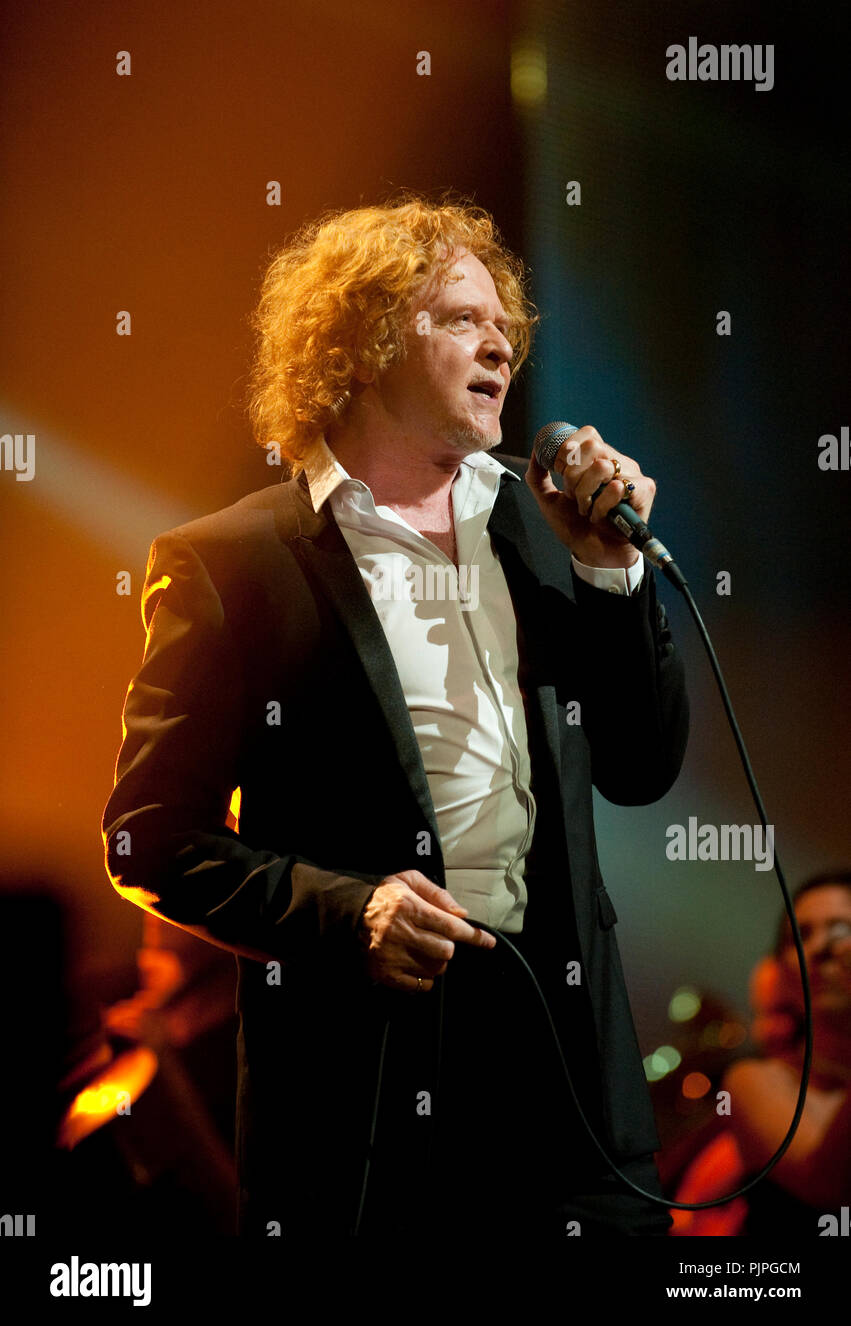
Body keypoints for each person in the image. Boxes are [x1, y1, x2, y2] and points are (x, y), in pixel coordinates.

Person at [102, 196, 689, 1237]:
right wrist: (347, 911)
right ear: (363, 341)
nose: (498, 338)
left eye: (501, 321)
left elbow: (640, 766)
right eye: (458, 317)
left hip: (573, 1092)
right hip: (363, 1099)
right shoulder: (233, 563)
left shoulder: (544, 522)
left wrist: (609, 578)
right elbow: (150, 839)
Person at [670, 871, 851, 1235]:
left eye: (840, 930)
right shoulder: (754, 1081)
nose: (818, 949)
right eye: (800, 937)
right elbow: (827, 1183)